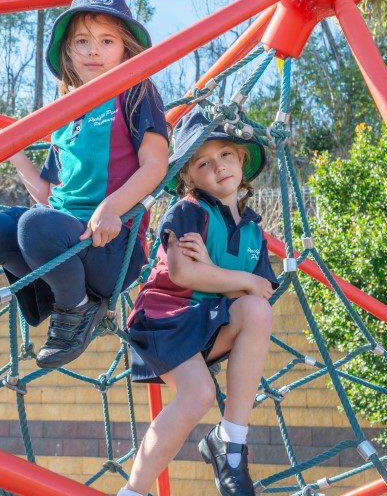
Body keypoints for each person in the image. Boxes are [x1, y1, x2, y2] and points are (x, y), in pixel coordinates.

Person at [0, 0, 169, 375]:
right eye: (82, 41)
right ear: (67, 52)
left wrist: (111, 208)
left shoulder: (136, 92)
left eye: (107, 41)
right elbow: (49, 195)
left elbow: (155, 165)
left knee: (36, 224)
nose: (93, 51)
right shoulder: (65, 113)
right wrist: (13, 152)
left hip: (110, 245)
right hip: (61, 241)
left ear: (125, 49)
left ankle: (77, 311)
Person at [118, 107, 278, 496]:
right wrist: (237, 279)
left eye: (225, 155)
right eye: (203, 163)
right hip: (167, 321)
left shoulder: (254, 231)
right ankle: (134, 490)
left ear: (241, 158)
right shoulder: (189, 211)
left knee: (258, 311)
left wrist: (214, 271)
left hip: (209, 322)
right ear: (188, 176)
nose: (218, 166)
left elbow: (260, 293)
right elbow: (183, 273)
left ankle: (231, 441)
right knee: (199, 394)